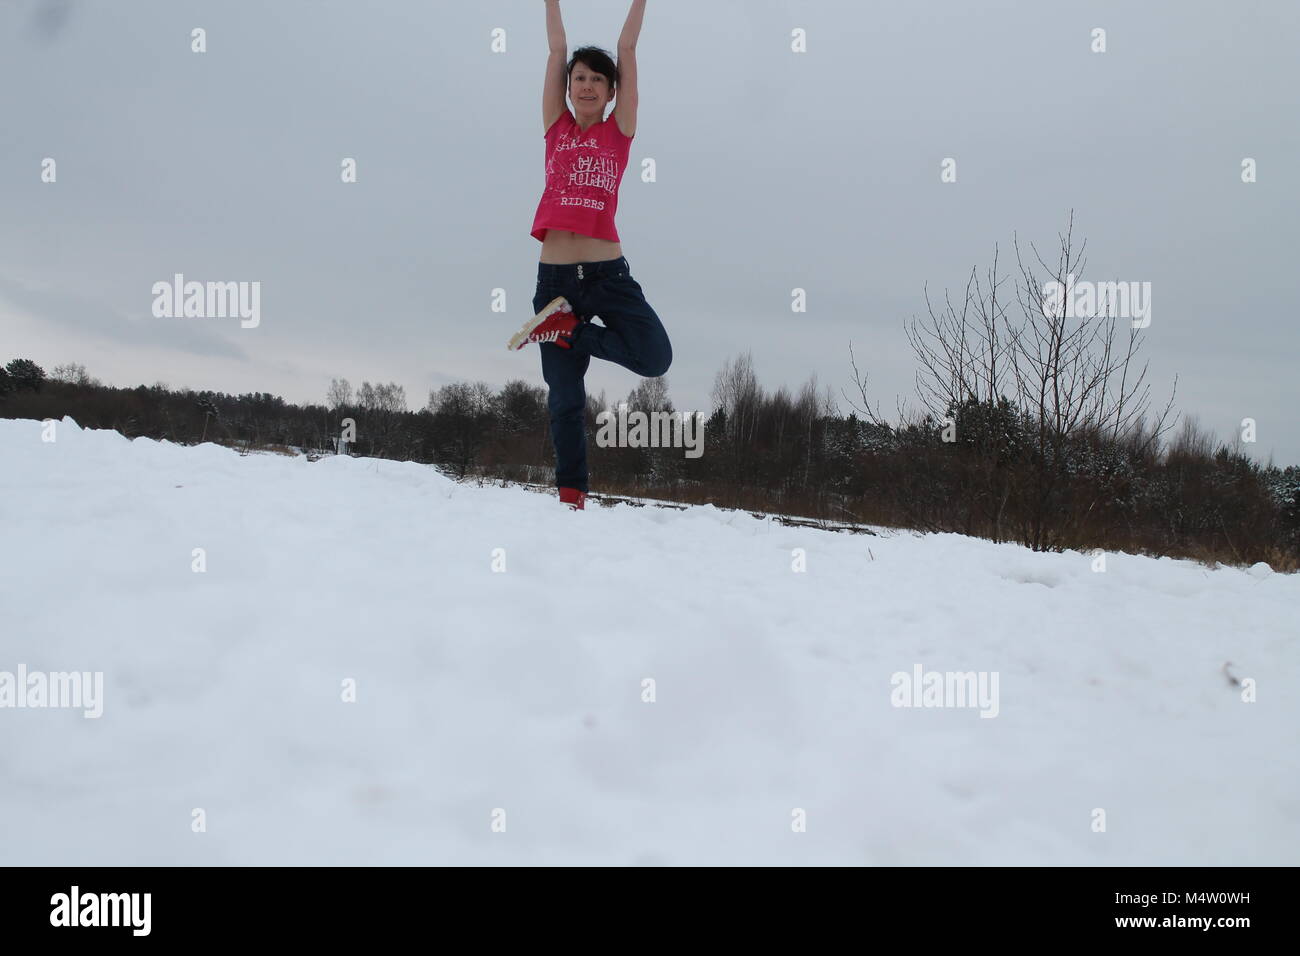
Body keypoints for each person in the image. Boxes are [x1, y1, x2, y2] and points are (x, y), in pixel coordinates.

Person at [506, 0, 671, 511]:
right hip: (554, 283)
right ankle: (571, 494)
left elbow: (626, 47)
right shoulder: (555, 127)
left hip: (606, 275)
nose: (586, 85)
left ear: (611, 90)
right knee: (565, 399)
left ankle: (571, 332)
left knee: (654, 356)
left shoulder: (618, 133)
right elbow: (556, 48)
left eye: (598, 79)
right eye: (579, 77)